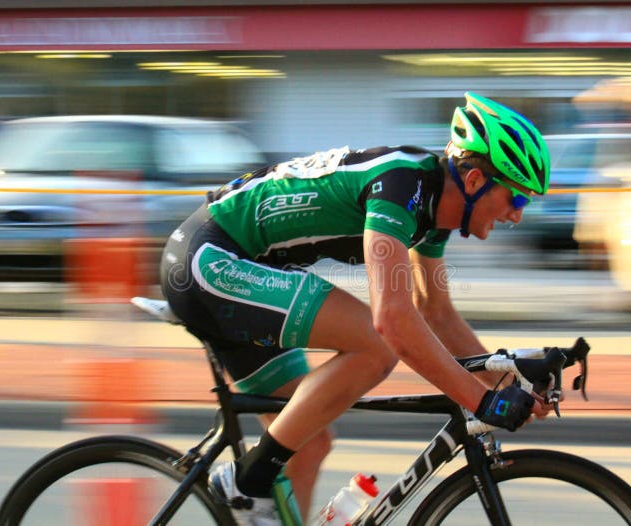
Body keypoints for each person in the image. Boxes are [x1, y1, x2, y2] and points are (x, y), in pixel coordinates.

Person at [160, 92, 552, 525]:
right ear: (475, 181)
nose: (517, 215)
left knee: (307, 443)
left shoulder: (435, 210)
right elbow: (393, 320)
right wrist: (480, 399)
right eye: (517, 199)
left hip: (241, 269)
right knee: (375, 345)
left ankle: (255, 481)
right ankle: (247, 480)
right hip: (211, 262)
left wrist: (509, 377)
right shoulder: (401, 188)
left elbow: (436, 313)